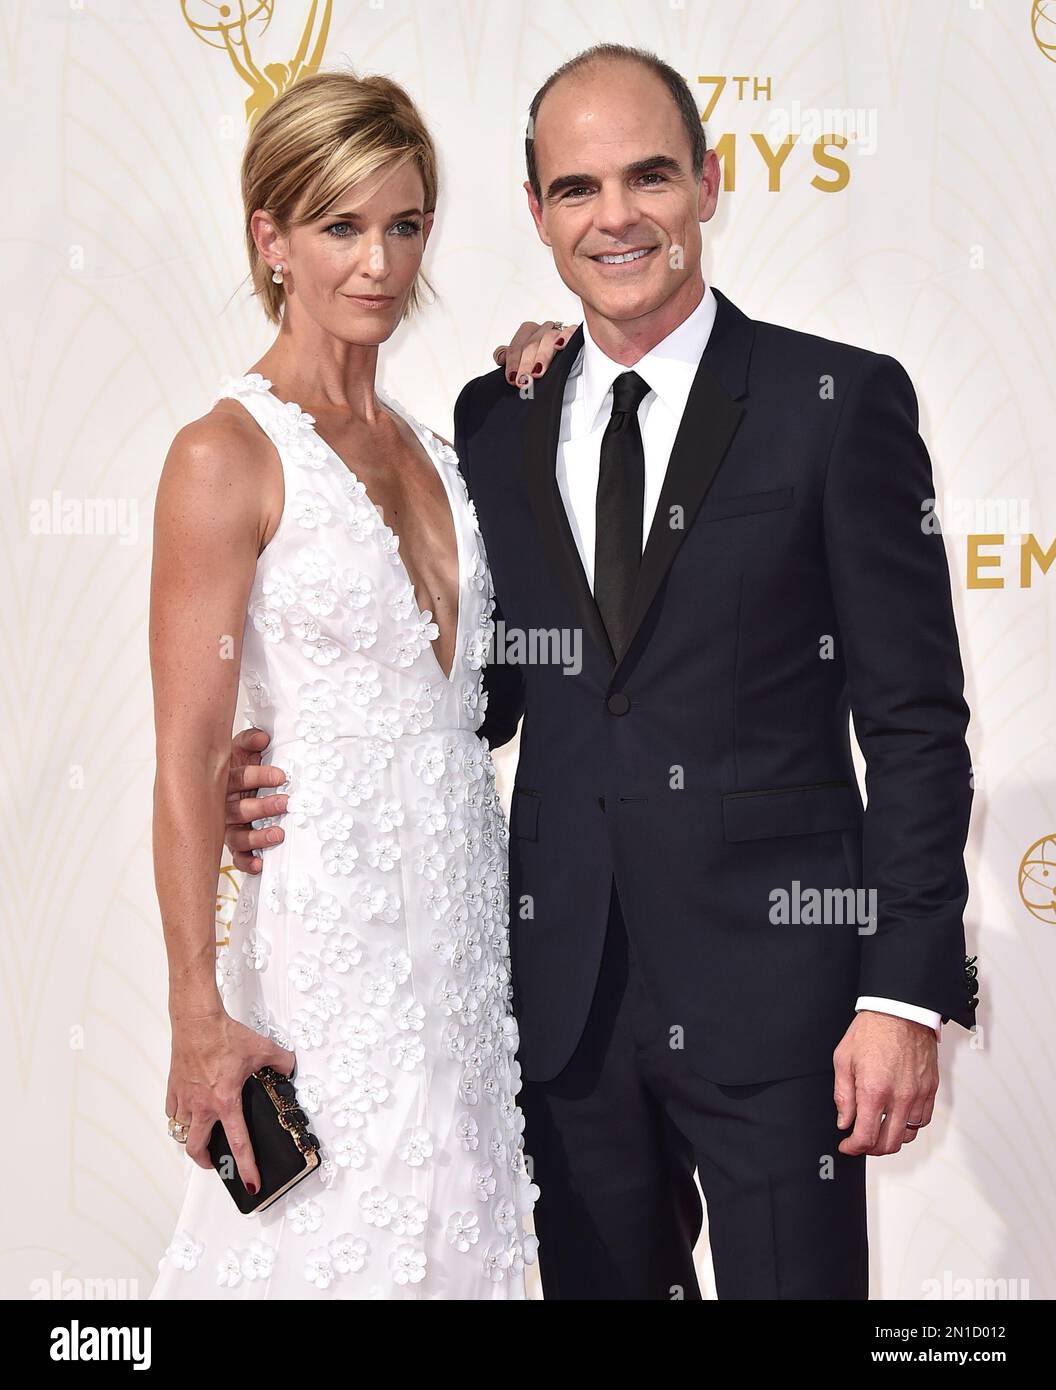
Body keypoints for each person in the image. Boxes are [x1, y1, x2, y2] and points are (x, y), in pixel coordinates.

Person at [228, 44, 979, 1300]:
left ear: (710, 181)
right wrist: (281, 752)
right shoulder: (494, 418)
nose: (615, 216)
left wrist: (903, 990)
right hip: (560, 1012)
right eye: (577, 189)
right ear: (535, 216)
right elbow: (492, 692)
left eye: (650, 177)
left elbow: (915, 724)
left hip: (784, 1011)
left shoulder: (834, 401)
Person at [148, 69, 552, 1299]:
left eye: (405, 223)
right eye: (340, 226)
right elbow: (184, 759)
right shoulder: (226, 454)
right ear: (271, 237)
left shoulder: (444, 447)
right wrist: (196, 1015)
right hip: (330, 959)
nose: (379, 262)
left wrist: (559, 359)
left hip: (468, 961)